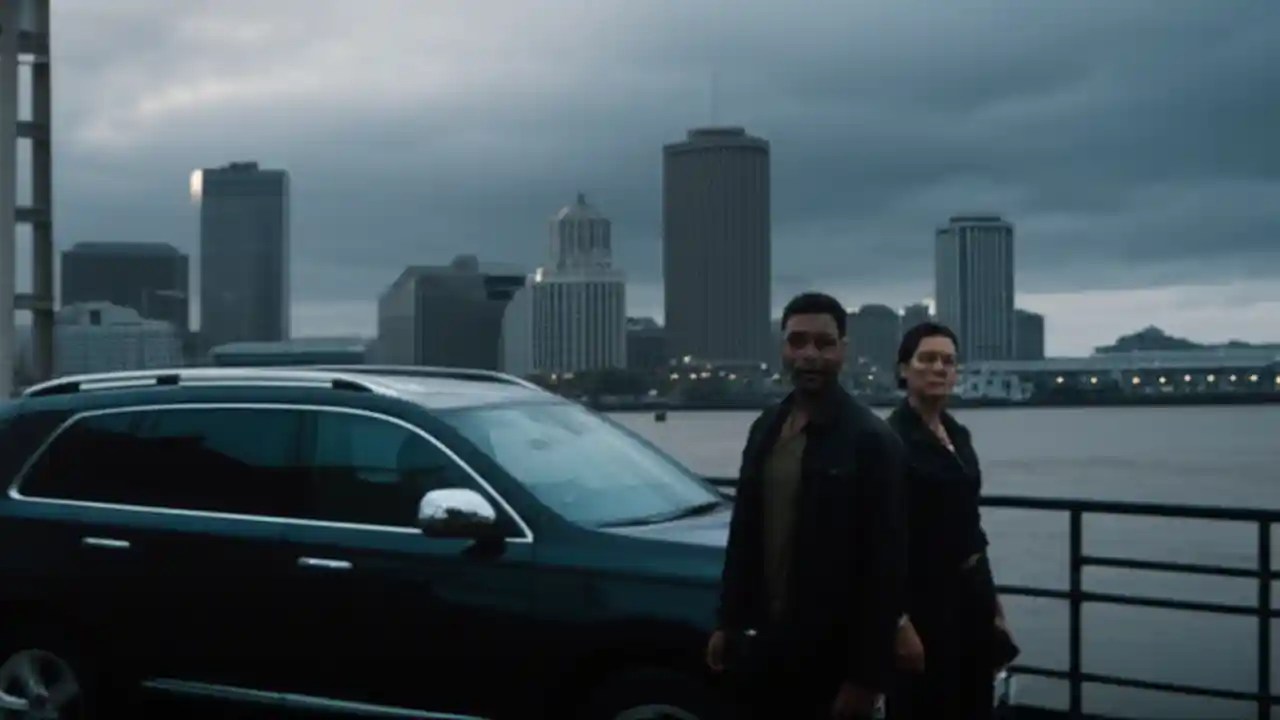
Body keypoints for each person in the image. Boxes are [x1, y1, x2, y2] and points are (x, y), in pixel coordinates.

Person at [705, 291, 907, 719]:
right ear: (782, 348)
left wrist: (866, 679)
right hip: (763, 646)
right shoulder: (766, 427)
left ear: (843, 351)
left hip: (831, 656)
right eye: (797, 342)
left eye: (823, 343)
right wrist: (727, 621)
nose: (809, 354)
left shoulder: (872, 441)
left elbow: (884, 569)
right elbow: (745, 530)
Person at [886, 321, 1018, 719]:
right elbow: (878, 540)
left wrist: (995, 607)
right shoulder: (889, 441)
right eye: (927, 359)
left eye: (948, 361)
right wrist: (898, 622)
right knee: (925, 704)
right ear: (904, 370)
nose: (939, 368)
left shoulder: (959, 435)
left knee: (974, 702)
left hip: (970, 595)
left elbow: (971, 526)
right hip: (923, 601)